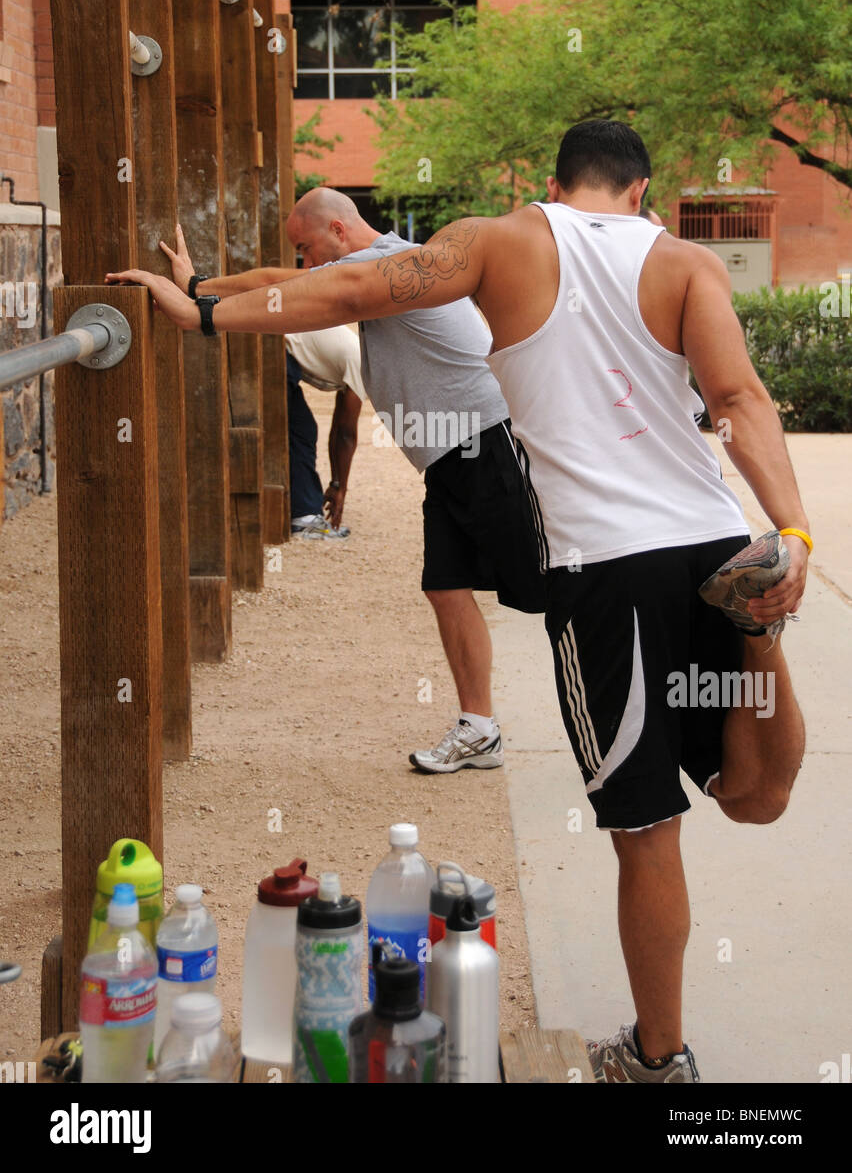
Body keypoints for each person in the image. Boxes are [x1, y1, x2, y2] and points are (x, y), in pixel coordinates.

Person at [108, 120, 809, 1082]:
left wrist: (200, 311)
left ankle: (659, 1059)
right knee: (755, 796)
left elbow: (348, 284)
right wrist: (793, 533)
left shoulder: (499, 240)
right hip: (717, 538)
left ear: (553, 183)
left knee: (648, 830)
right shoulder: (686, 261)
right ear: (642, 192)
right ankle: (758, 625)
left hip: (611, 569)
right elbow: (741, 399)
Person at [145, 204, 547, 774]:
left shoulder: (394, 267)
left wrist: (202, 315)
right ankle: (480, 729)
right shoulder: (366, 264)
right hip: (448, 459)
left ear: (339, 230)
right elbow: (278, 284)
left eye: (308, 248)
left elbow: (321, 302)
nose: (304, 262)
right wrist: (198, 284)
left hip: (489, 447)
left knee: (555, 588)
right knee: (446, 585)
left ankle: (643, 694)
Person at [285, 326, 365, 538]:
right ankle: (304, 517)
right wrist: (341, 490)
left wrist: (336, 483)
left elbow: (338, 428)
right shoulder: (364, 366)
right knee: (301, 432)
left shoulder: (361, 355)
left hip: (282, 350)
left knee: (302, 428)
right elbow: (346, 435)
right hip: (279, 352)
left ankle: (299, 508)